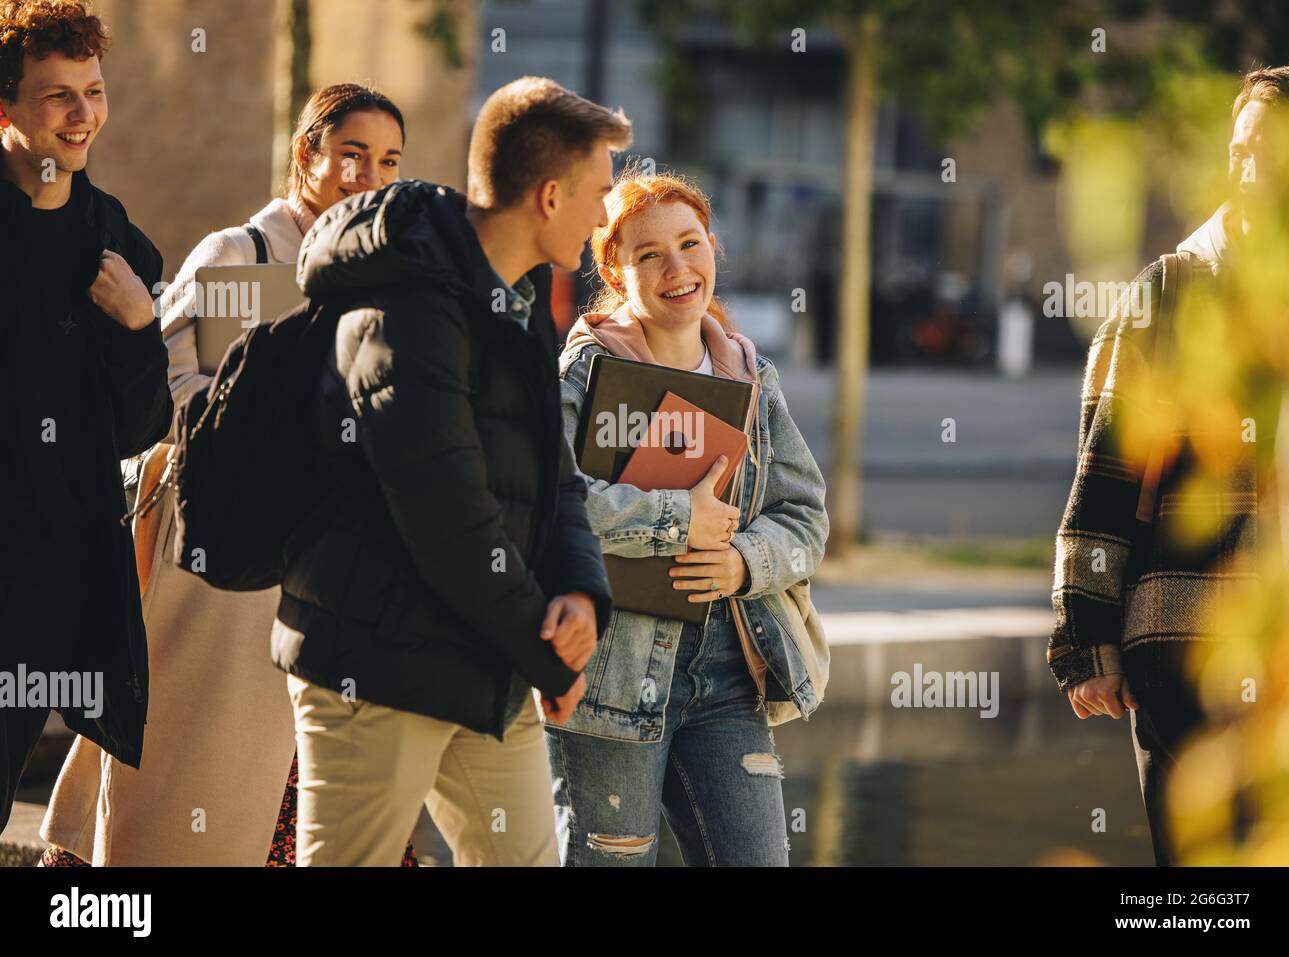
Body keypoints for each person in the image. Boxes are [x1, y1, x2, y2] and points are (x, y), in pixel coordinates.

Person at [39, 82, 410, 866]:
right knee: (190, 779)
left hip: (328, 578)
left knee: (303, 799)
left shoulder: (385, 287)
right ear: (306, 152)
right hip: (217, 568)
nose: (367, 175)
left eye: (387, 161)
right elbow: (159, 397)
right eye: (351, 154)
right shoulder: (238, 255)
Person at [272, 76, 623, 866]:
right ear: (548, 194)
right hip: (379, 660)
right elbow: (449, 519)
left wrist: (579, 590)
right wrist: (543, 654)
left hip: (484, 656)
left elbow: (553, 469)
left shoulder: (524, 294)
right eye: (599, 193)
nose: (604, 215)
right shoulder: (406, 307)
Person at [1048, 64, 1289, 866]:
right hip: (1183, 647)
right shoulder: (1171, 292)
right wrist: (1087, 638)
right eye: (1238, 148)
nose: (1250, 166)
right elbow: (1106, 471)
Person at [548, 168, 829, 866]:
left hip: (728, 680)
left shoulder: (749, 375)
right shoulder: (585, 374)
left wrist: (741, 561)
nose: (677, 267)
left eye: (690, 243)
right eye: (648, 254)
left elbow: (806, 516)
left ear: (712, 247)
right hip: (612, 678)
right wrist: (678, 519)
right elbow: (544, 499)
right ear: (614, 271)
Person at [0, 0, 171, 832]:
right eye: (56, 95)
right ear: (6, 107)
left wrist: (141, 327)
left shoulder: (120, 249)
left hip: (51, 582)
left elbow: (143, 428)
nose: (81, 114)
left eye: (93, 91)